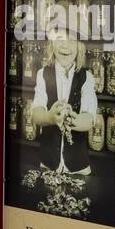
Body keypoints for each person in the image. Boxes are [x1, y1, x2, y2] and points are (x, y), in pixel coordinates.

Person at [29, 32, 97, 175]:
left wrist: (73, 119)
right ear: (51, 44)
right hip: (48, 164)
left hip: (79, 167)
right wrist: (50, 118)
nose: (65, 45)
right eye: (60, 39)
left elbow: (89, 119)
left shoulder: (87, 78)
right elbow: (36, 114)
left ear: (79, 47)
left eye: (72, 40)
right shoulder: (43, 74)